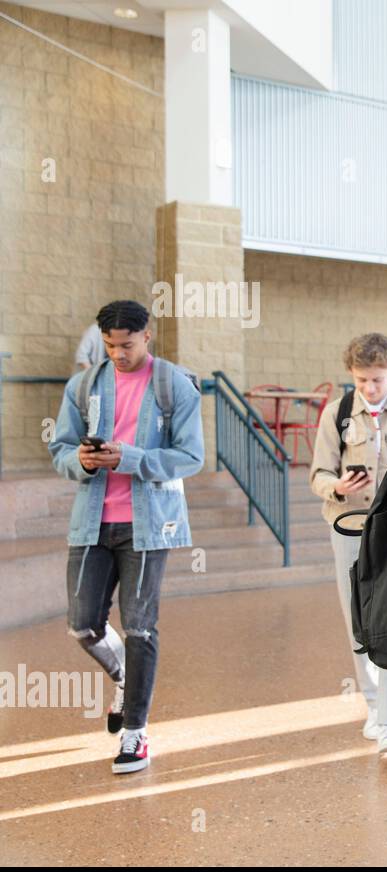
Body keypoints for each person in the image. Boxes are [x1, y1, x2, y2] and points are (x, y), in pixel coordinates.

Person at [48, 300, 205, 773]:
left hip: (148, 524)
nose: (118, 354)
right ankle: (123, 675)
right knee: (82, 624)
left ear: (148, 335)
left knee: (139, 627)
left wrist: (130, 458)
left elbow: (190, 456)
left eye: (128, 344)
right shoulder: (83, 385)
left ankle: (136, 734)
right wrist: (83, 460)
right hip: (93, 521)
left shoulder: (174, 384)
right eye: (111, 345)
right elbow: (59, 449)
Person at [310, 333, 387, 755]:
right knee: (357, 620)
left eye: (377, 380)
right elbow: (318, 474)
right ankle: (372, 704)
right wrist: (338, 486)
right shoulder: (337, 414)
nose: (369, 388)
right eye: (361, 380)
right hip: (348, 525)